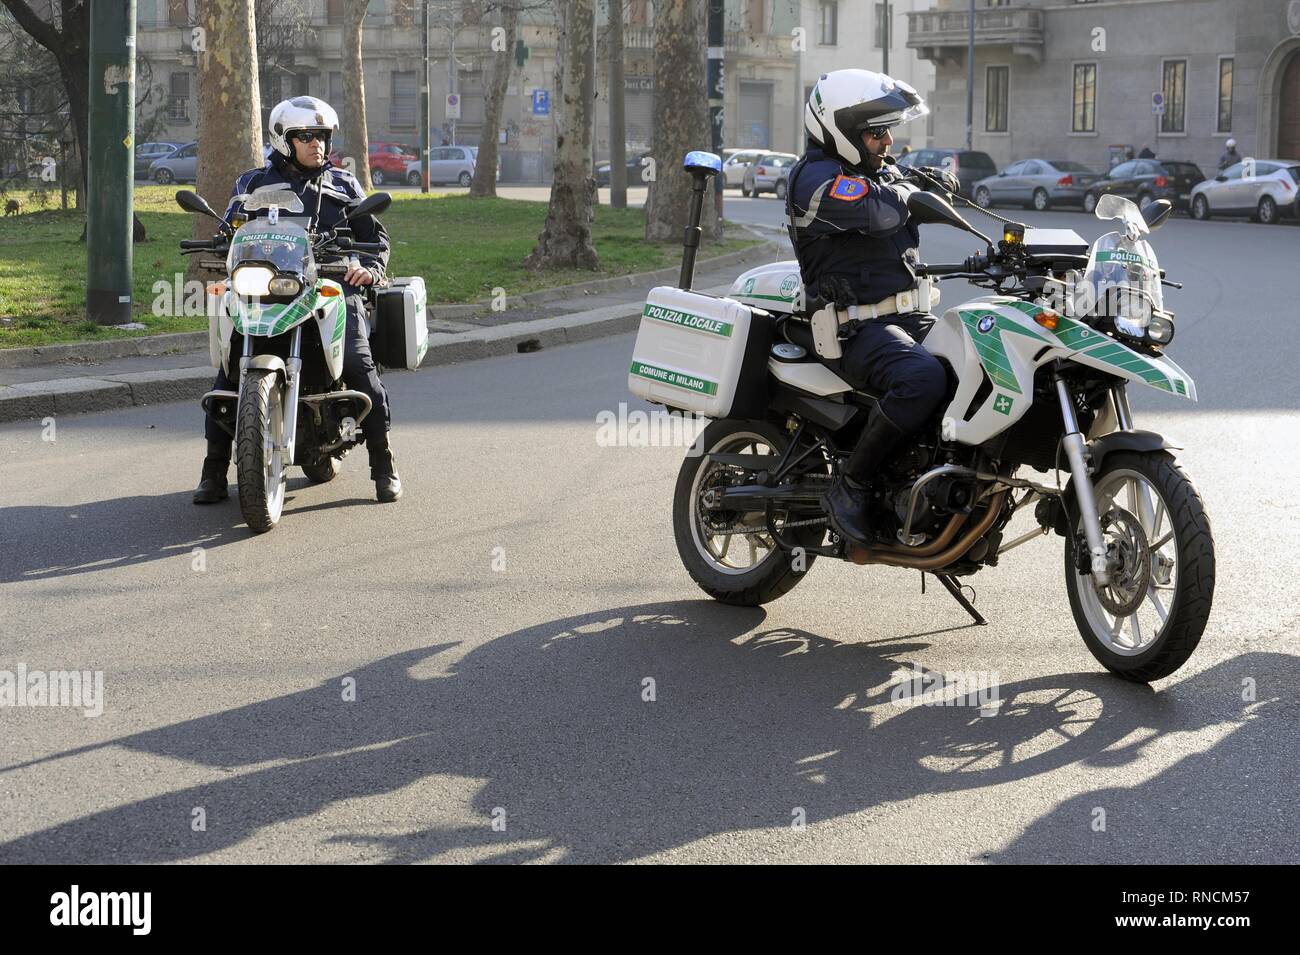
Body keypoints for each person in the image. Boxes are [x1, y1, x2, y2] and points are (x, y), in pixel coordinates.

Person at [192, 95, 402, 505]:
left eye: (322, 136)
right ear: (283, 139)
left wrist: (369, 268)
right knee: (228, 374)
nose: (316, 144)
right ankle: (213, 470)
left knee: (361, 372)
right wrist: (220, 244)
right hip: (269, 293)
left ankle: (384, 462)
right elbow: (232, 231)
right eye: (305, 136)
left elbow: (374, 239)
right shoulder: (252, 184)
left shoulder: (343, 184)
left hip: (331, 287)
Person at [787, 69, 959, 546]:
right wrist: (913, 193)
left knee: (978, 361)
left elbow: (900, 188)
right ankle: (852, 485)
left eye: (888, 130)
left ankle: (939, 484)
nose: (886, 141)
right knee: (920, 378)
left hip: (905, 318)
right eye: (875, 132)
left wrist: (936, 183)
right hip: (850, 328)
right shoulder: (815, 180)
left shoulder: (879, 171)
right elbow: (878, 208)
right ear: (839, 130)